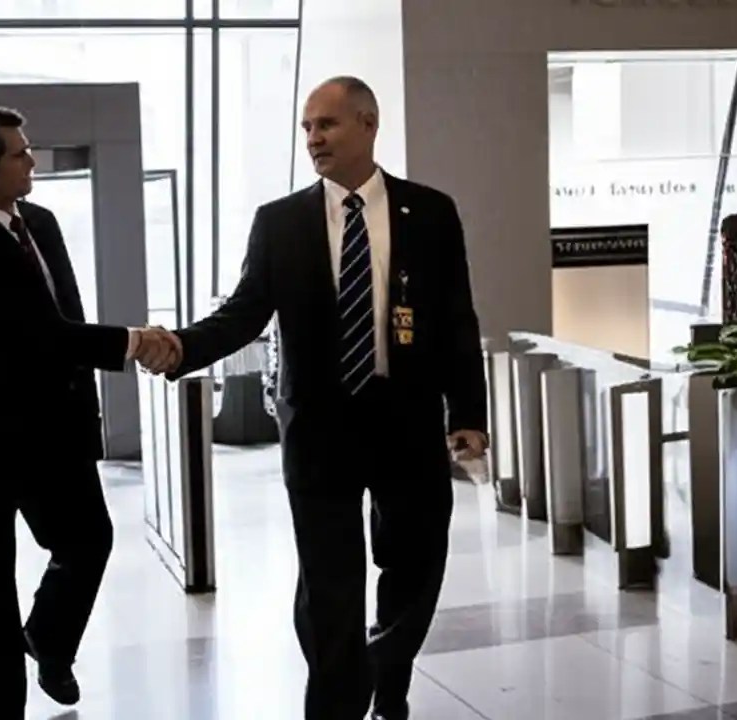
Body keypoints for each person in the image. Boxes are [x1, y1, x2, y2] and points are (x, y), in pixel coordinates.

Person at [141, 77, 489, 720]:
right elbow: (243, 314)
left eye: (326, 124)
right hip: (320, 432)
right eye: (306, 128)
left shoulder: (430, 212)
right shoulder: (280, 222)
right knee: (329, 588)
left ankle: (384, 669)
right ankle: (336, 702)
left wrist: (469, 412)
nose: (313, 139)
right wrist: (182, 348)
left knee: (416, 562)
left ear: (368, 124)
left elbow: (455, 318)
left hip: (406, 425)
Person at [0, 105, 177, 719]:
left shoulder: (40, 223)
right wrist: (135, 341)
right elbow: (37, 336)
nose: (32, 159)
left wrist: (89, 417)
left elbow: (66, 315)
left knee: (90, 540)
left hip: (51, 435)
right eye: (19, 153)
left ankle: (49, 641)